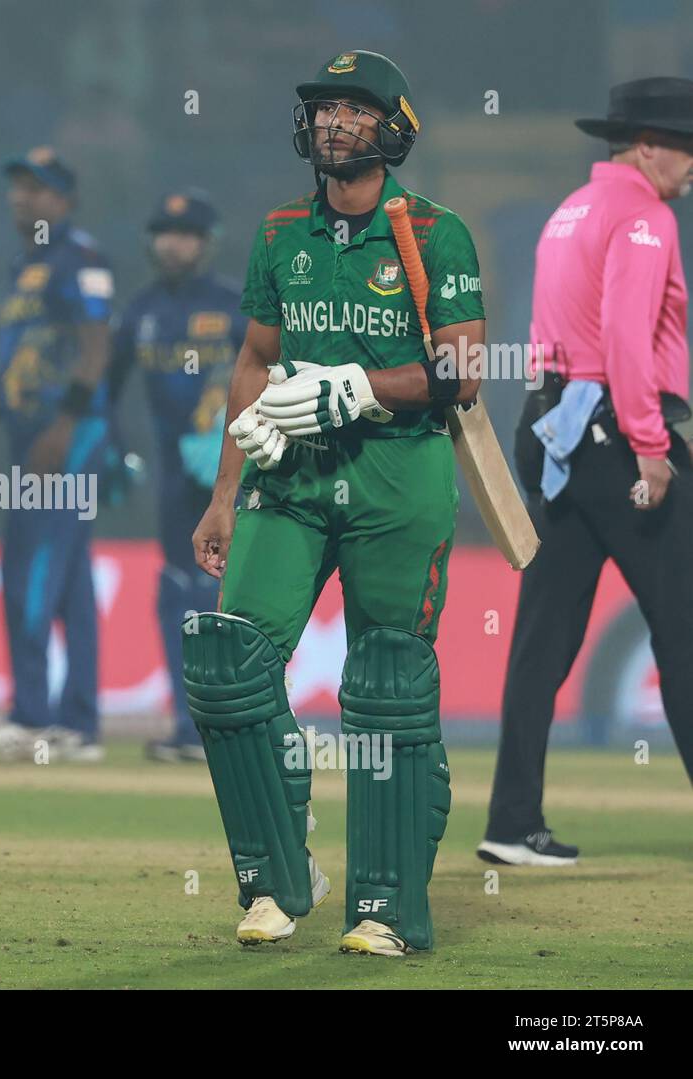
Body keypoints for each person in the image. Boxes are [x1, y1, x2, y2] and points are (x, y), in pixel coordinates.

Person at [189, 51, 485, 955]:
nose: (333, 124)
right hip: (291, 475)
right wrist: (225, 490)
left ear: (393, 127)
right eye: (323, 110)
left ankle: (387, 906)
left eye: (354, 110)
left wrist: (358, 387)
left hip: (399, 474)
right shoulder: (281, 231)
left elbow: (462, 370)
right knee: (227, 665)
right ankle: (281, 878)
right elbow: (252, 359)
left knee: (390, 684)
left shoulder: (434, 233)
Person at [481, 78, 693, 867]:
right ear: (646, 145)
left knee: (541, 637)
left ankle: (511, 821)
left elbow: (554, 332)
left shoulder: (569, 211)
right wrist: (649, 445)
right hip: (618, 438)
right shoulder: (645, 216)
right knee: (685, 625)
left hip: (558, 432)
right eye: (684, 142)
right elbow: (627, 340)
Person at [0, 147, 114, 763]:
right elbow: (6, 361)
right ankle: (80, 726)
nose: (21, 199)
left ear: (63, 200)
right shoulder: (23, 265)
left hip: (64, 438)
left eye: (35, 190)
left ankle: (33, 718)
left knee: (31, 568)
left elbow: (97, 347)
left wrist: (66, 423)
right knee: (70, 582)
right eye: (16, 188)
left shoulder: (79, 258)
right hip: (27, 438)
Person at [107, 190, 246, 762]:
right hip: (172, 478)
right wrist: (115, 453)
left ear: (207, 243)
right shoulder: (140, 313)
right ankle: (189, 728)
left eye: (187, 234)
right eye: (166, 232)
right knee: (176, 593)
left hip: (233, 477)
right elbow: (103, 392)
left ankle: (232, 725)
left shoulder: (237, 308)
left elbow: (276, 377)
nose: (175, 243)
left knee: (231, 597)